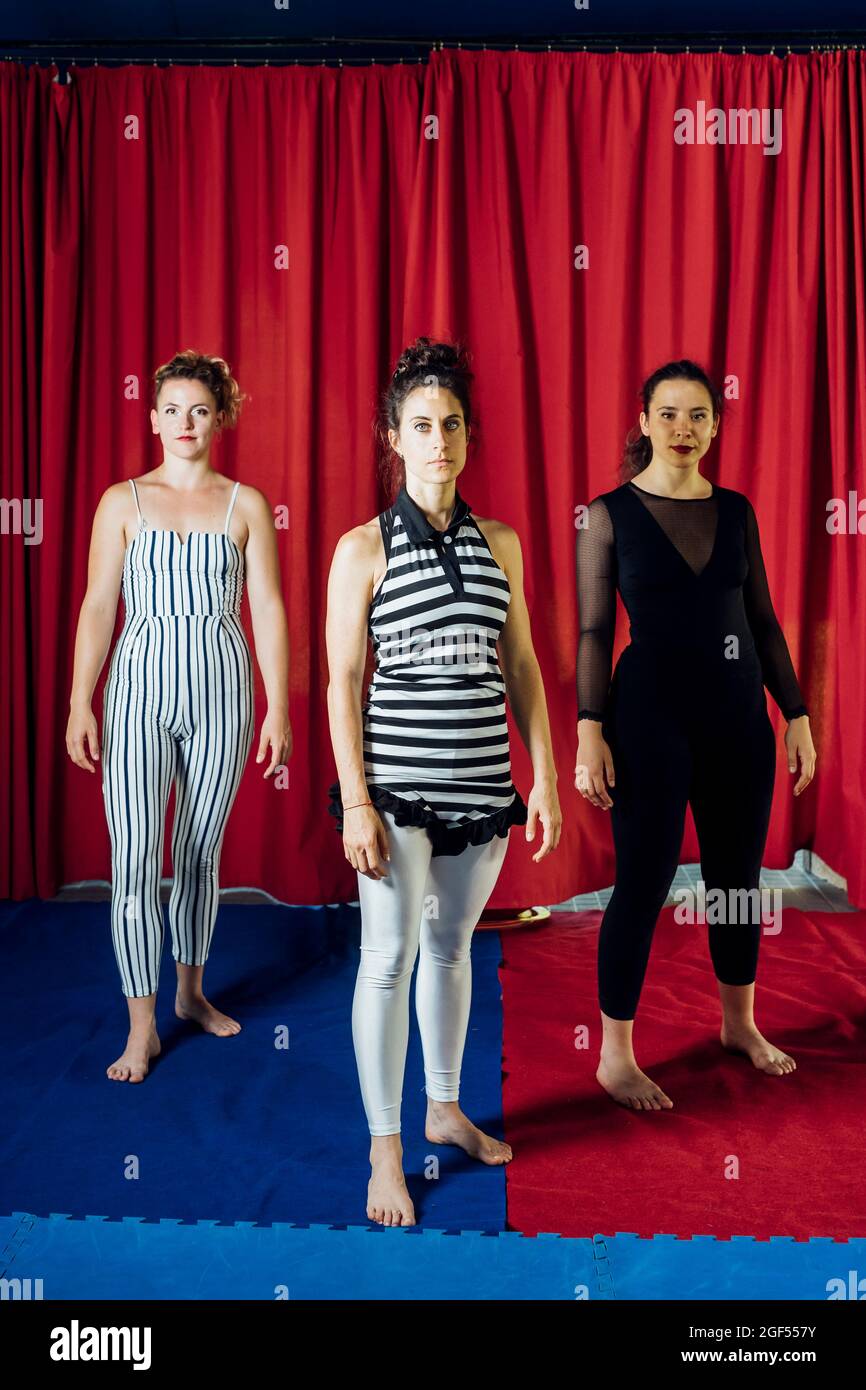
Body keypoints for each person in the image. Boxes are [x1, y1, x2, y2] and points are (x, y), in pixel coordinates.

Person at [326, 337, 561, 1227]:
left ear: (469, 436)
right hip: (395, 790)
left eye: (451, 425)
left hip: (484, 787)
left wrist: (539, 777)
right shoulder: (361, 550)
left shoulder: (500, 541)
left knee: (455, 948)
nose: (438, 441)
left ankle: (443, 1105)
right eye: (420, 425)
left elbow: (526, 663)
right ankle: (386, 1148)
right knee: (387, 960)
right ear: (394, 436)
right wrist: (355, 800)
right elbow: (343, 684)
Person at [575, 359, 816, 1112]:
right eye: (669, 414)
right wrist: (588, 730)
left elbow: (766, 622)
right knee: (643, 884)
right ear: (644, 421)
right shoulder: (608, 513)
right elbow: (590, 631)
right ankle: (615, 1056)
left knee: (736, 885)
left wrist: (797, 714)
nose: (684, 428)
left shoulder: (737, 511)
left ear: (715, 425)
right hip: (647, 719)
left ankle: (737, 1025)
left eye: (699, 415)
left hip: (739, 720)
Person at [66, 350, 292, 1083]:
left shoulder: (246, 504)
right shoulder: (121, 501)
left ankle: (190, 995)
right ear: (153, 415)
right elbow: (100, 604)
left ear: (220, 416)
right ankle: (142, 1027)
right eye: (172, 409)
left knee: (198, 854)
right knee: (134, 861)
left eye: (200, 409)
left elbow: (267, 608)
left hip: (224, 694)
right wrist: (80, 699)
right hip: (136, 694)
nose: (185, 422)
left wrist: (279, 705)